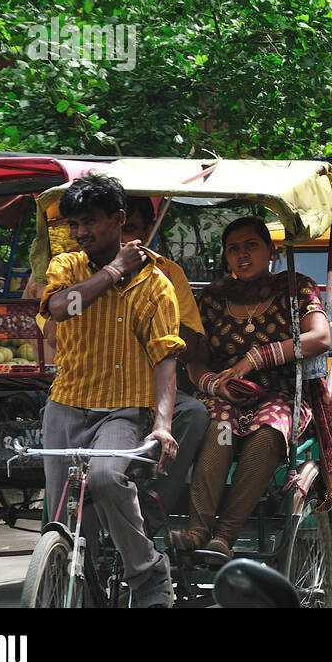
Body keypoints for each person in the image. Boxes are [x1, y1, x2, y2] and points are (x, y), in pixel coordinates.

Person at [39, 174, 183, 608]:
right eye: (75, 225)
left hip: (122, 410)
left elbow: (165, 357)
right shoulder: (66, 266)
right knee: (60, 511)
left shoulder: (156, 285)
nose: (81, 233)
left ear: (119, 220)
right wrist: (115, 269)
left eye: (90, 222)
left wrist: (162, 425)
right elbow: (62, 308)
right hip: (65, 404)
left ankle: (149, 574)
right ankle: (72, 587)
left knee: (104, 478)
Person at [172, 217, 332, 559]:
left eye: (251, 246)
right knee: (218, 432)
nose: (242, 255)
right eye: (233, 249)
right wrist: (214, 383)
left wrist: (256, 358)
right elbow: (193, 358)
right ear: (226, 257)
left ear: (271, 250)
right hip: (225, 394)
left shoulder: (297, 287)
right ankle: (199, 530)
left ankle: (225, 537)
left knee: (266, 434)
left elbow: (320, 338)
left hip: (284, 392)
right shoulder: (213, 297)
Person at [121, 197, 212, 534]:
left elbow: (193, 346)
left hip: (154, 387)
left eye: (129, 229)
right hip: (99, 388)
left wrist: (163, 308)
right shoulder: (81, 272)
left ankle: (154, 508)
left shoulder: (167, 275)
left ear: (147, 231)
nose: (121, 240)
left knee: (194, 415)